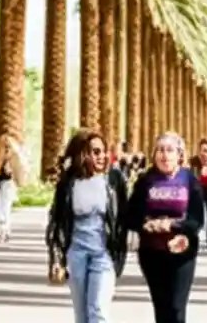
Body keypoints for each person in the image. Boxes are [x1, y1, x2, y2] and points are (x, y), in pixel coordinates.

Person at [46, 129, 129, 323]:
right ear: (82, 154)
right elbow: (57, 222)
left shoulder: (113, 179)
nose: (102, 156)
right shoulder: (68, 184)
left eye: (103, 151)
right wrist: (56, 258)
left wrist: (129, 238)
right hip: (76, 254)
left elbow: (124, 215)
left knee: (98, 310)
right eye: (95, 152)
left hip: (104, 253)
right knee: (82, 315)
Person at [125, 132, 205, 323]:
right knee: (161, 308)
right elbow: (131, 215)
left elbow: (197, 219)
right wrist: (147, 223)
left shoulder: (190, 180)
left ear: (179, 155)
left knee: (176, 308)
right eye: (160, 150)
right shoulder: (145, 180)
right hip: (152, 253)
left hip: (182, 253)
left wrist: (173, 225)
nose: (164, 155)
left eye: (169, 150)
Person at [0, 133, 20, 243]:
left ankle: (5, 229)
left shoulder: (13, 156)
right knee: (0, 205)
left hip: (8, 182)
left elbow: (18, 170)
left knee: (5, 205)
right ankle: (3, 229)